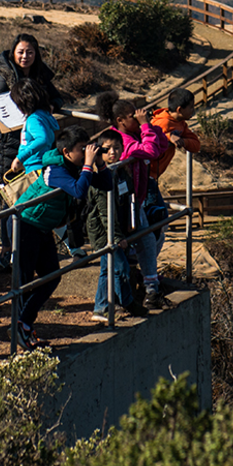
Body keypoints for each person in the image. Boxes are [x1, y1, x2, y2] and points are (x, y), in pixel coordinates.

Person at [11, 125, 112, 349]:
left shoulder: (75, 166)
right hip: (24, 224)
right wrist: (87, 165)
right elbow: (79, 191)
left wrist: (99, 163)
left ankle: (24, 324)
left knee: (51, 276)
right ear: (67, 152)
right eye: (82, 148)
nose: (87, 151)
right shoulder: (55, 170)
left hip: (42, 228)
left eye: (88, 147)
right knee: (25, 282)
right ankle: (21, 328)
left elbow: (106, 184)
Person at [96, 91, 169, 309]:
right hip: (126, 201)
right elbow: (151, 151)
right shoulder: (122, 141)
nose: (138, 118)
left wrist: (148, 126)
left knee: (153, 236)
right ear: (120, 121)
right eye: (133, 116)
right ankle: (150, 288)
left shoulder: (134, 134)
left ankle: (144, 279)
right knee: (144, 240)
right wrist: (145, 125)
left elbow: (162, 144)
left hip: (136, 198)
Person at [0, 33, 65, 175]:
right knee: (14, 184)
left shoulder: (40, 75)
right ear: (13, 53)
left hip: (29, 139)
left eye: (30, 52)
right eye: (20, 52)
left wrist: (51, 106)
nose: (25, 56)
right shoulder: (4, 77)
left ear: (36, 54)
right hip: (9, 142)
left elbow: (57, 98)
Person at [86, 129, 146, 322]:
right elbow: (105, 213)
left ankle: (101, 306)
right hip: (105, 233)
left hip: (116, 229)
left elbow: (128, 200)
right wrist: (117, 237)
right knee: (120, 268)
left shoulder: (121, 171)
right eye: (107, 149)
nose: (112, 152)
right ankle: (126, 302)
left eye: (116, 148)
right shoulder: (103, 177)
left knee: (108, 269)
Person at [8, 77, 60, 174]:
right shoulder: (43, 115)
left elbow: (42, 139)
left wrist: (20, 158)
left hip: (35, 166)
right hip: (36, 164)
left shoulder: (33, 119)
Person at [150, 88, 201, 179]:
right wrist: (168, 137)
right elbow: (148, 141)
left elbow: (196, 146)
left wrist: (183, 142)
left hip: (154, 175)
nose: (193, 110)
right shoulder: (162, 123)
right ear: (179, 110)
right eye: (191, 107)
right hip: (146, 173)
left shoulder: (180, 123)